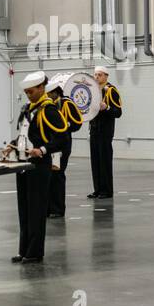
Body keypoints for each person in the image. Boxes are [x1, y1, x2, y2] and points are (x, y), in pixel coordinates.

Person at [9, 71, 68, 263]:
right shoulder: (28, 108)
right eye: (26, 92)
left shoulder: (49, 109)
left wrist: (42, 150)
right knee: (24, 209)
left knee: (36, 210)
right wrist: (11, 146)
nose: (28, 95)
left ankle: (35, 252)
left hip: (39, 166)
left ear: (42, 88)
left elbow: (61, 138)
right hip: (23, 164)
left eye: (31, 91)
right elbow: (24, 135)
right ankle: (24, 249)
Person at [47, 74, 84, 218]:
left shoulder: (66, 104)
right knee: (49, 176)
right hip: (50, 145)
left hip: (62, 145)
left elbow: (77, 123)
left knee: (57, 175)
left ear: (55, 91)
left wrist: (65, 125)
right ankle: (49, 207)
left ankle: (57, 209)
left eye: (49, 93)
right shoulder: (49, 105)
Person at [87, 66, 123, 199]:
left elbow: (118, 112)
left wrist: (106, 107)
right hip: (95, 129)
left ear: (106, 76)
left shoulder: (111, 91)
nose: (96, 77)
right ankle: (97, 189)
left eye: (100, 75)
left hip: (105, 131)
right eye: (95, 75)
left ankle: (106, 190)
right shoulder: (93, 91)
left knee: (104, 161)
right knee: (95, 161)